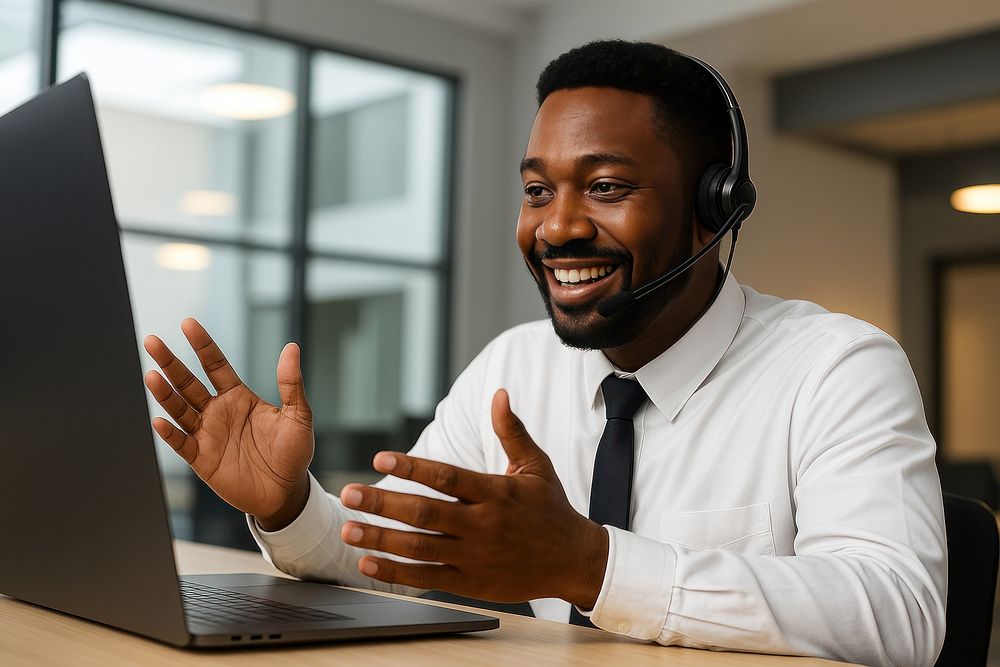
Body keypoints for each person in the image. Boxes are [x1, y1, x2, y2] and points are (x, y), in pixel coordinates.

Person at [142, 41, 946, 666]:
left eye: (604, 186)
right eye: (537, 190)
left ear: (716, 208)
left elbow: (900, 615)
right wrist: (288, 506)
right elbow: (395, 556)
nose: (556, 227)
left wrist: (591, 563)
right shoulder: (515, 366)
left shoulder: (837, 366)